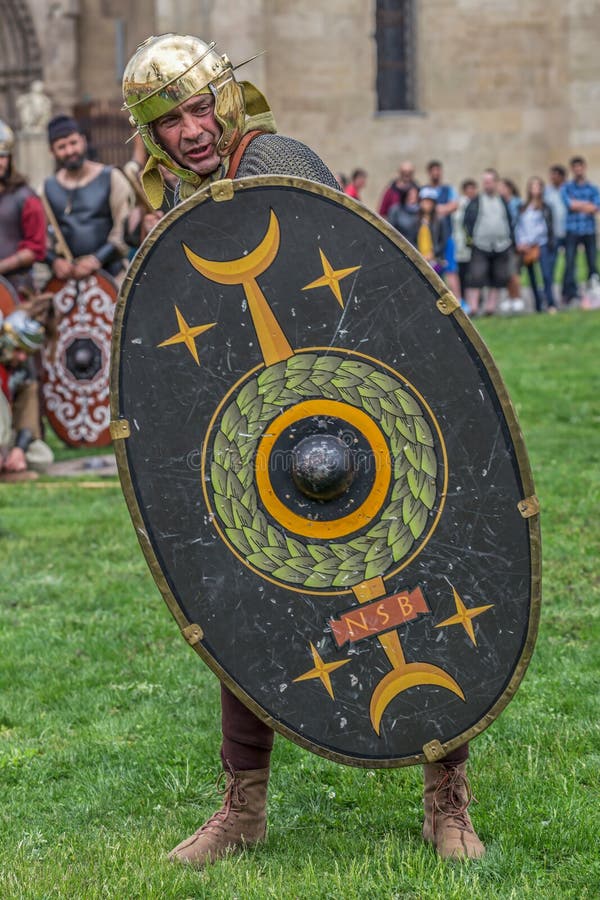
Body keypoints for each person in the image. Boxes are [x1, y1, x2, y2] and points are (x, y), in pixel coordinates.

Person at [122, 32, 484, 867]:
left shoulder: (278, 156)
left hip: (361, 420)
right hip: (261, 443)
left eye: (200, 105)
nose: (192, 129)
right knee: (246, 612)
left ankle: (448, 801)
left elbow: (360, 280)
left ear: (228, 97)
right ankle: (241, 812)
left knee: (413, 595)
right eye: (170, 120)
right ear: (151, 137)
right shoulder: (182, 207)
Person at [43, 115, 133, 283]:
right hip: (69, 282)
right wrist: (55, 261)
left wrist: (96, 259)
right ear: (52, 151)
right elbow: (43, 238)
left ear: (83, 141)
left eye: (73, 143)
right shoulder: (47, 188)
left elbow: (124, 229)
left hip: (113, 277)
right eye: (61, 147)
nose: (70, 151)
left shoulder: (112, 177)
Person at [0, 308, 53, 479]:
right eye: (18, 349)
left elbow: (27, 416)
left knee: (42, 456)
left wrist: (19, 450)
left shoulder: (24, 369)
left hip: (5, 438)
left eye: (27, 352)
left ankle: (9, 465)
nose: (22, 357)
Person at [0, 119, 47, 298]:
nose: (0, 162)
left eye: (3, 156)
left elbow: (36, 249)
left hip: (16, 290)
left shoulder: (26, 197)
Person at [463, 169, 515, 315]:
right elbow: (467, 221)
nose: (487, 185)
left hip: (501, 245)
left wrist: (510, 239)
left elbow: (509, 220)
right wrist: (470, 239)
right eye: (485, 182)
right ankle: (472, 307)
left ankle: (490, 308)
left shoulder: (502, 201)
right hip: (480, 244)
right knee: (476, 276)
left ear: (496, 183)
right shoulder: (476, 201)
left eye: (490, 182)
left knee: (498, 277)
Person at [560, 156, 600, 305]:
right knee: (570, 262)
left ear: (584, 168)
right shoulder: (567, 187)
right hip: (572, 230)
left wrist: (578, 204)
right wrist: (586, 205)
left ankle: (593, 292)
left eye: (580, 167)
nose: (578, 170)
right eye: (575, 168)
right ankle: (570, 293)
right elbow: (569, 205)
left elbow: (596, 207)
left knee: (592, 262)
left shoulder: (593, 188)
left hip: (588, 230)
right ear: (572, 169)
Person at [515, 177, 556, 313]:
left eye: (538, 186)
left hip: (541, 244)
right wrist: (521, 243)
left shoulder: (545, 207)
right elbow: (519, 227)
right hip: (527, 246)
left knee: (546, 274)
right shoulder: (523, 207)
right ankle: (538, 305)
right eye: (533, 186)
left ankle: (550, 303)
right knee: (532, 277)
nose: (535, 189)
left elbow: (546, 227)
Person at [424, 161, 460, 297]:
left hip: (446, 236)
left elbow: (454, 205)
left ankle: (458, 302)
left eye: (438, 170)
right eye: (433, 170)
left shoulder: (448, 189)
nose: (436, 173)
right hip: (430, 238)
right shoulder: (425, 189)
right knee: (431, 269)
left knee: (450, 269)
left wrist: (436, 209)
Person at [454, 179, 478, 311]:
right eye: (468, 189)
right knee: (461, 274)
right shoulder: (459, 204)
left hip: (474, 245)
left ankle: (474, 301)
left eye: (473, 188)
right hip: (460, 244)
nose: (471, 192)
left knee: (474, 274)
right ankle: (463, 300)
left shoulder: (478, 204)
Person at [544, 164, 567, 298]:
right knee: (550, 266)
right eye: (551, 175)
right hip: (553, 234)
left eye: (555, 175)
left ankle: (567, 293)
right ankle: (549, 295)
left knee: (570, 266)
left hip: (567, 232)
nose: (553, 178)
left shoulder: (567, 190)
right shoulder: (547, 191)